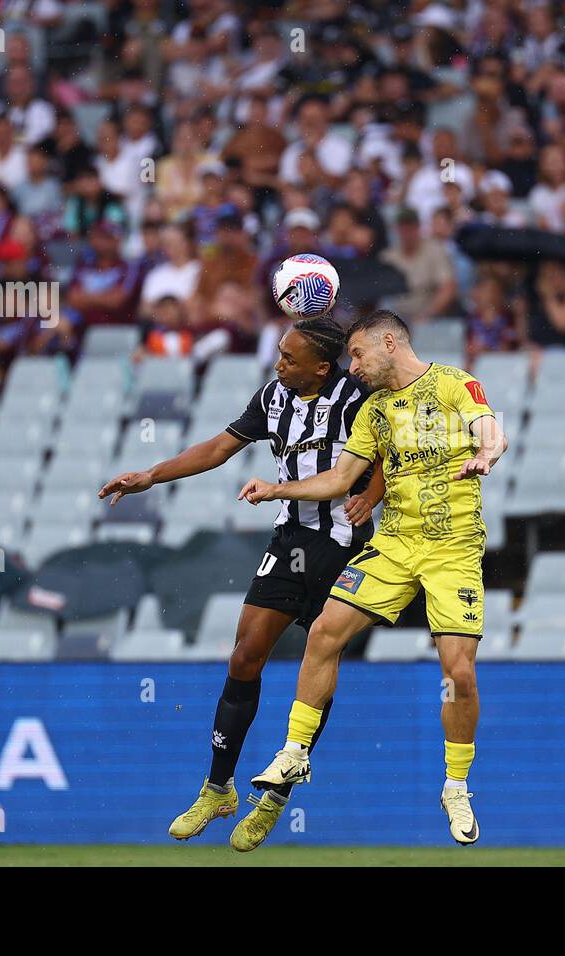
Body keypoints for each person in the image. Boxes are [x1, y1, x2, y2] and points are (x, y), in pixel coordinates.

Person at [97, 316, 385, 852]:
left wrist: (374, 492)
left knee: (318, 657)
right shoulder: (274, 396)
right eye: (279, 353)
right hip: (293, 538)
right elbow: (218, 447)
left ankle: (275, 796)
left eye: (289, 358)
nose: (278, 364)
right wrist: (150, 475)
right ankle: (219, 787)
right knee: (245, 655)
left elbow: (395, 443)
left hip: (347, 544)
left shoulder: (358, 395)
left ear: (322, 367)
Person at [239, 310, 508, 846]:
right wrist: (276, 490)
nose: (352, 366)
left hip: (452, 549)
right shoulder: (376, 412)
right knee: (323, 633)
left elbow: (492, 432)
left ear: (389, 342)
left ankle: (456, 784)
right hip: (395, 545)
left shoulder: (455, 384)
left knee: (459, 670)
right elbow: (341, 478)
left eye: (358, 354)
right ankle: (294, 752)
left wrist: (484, 455)